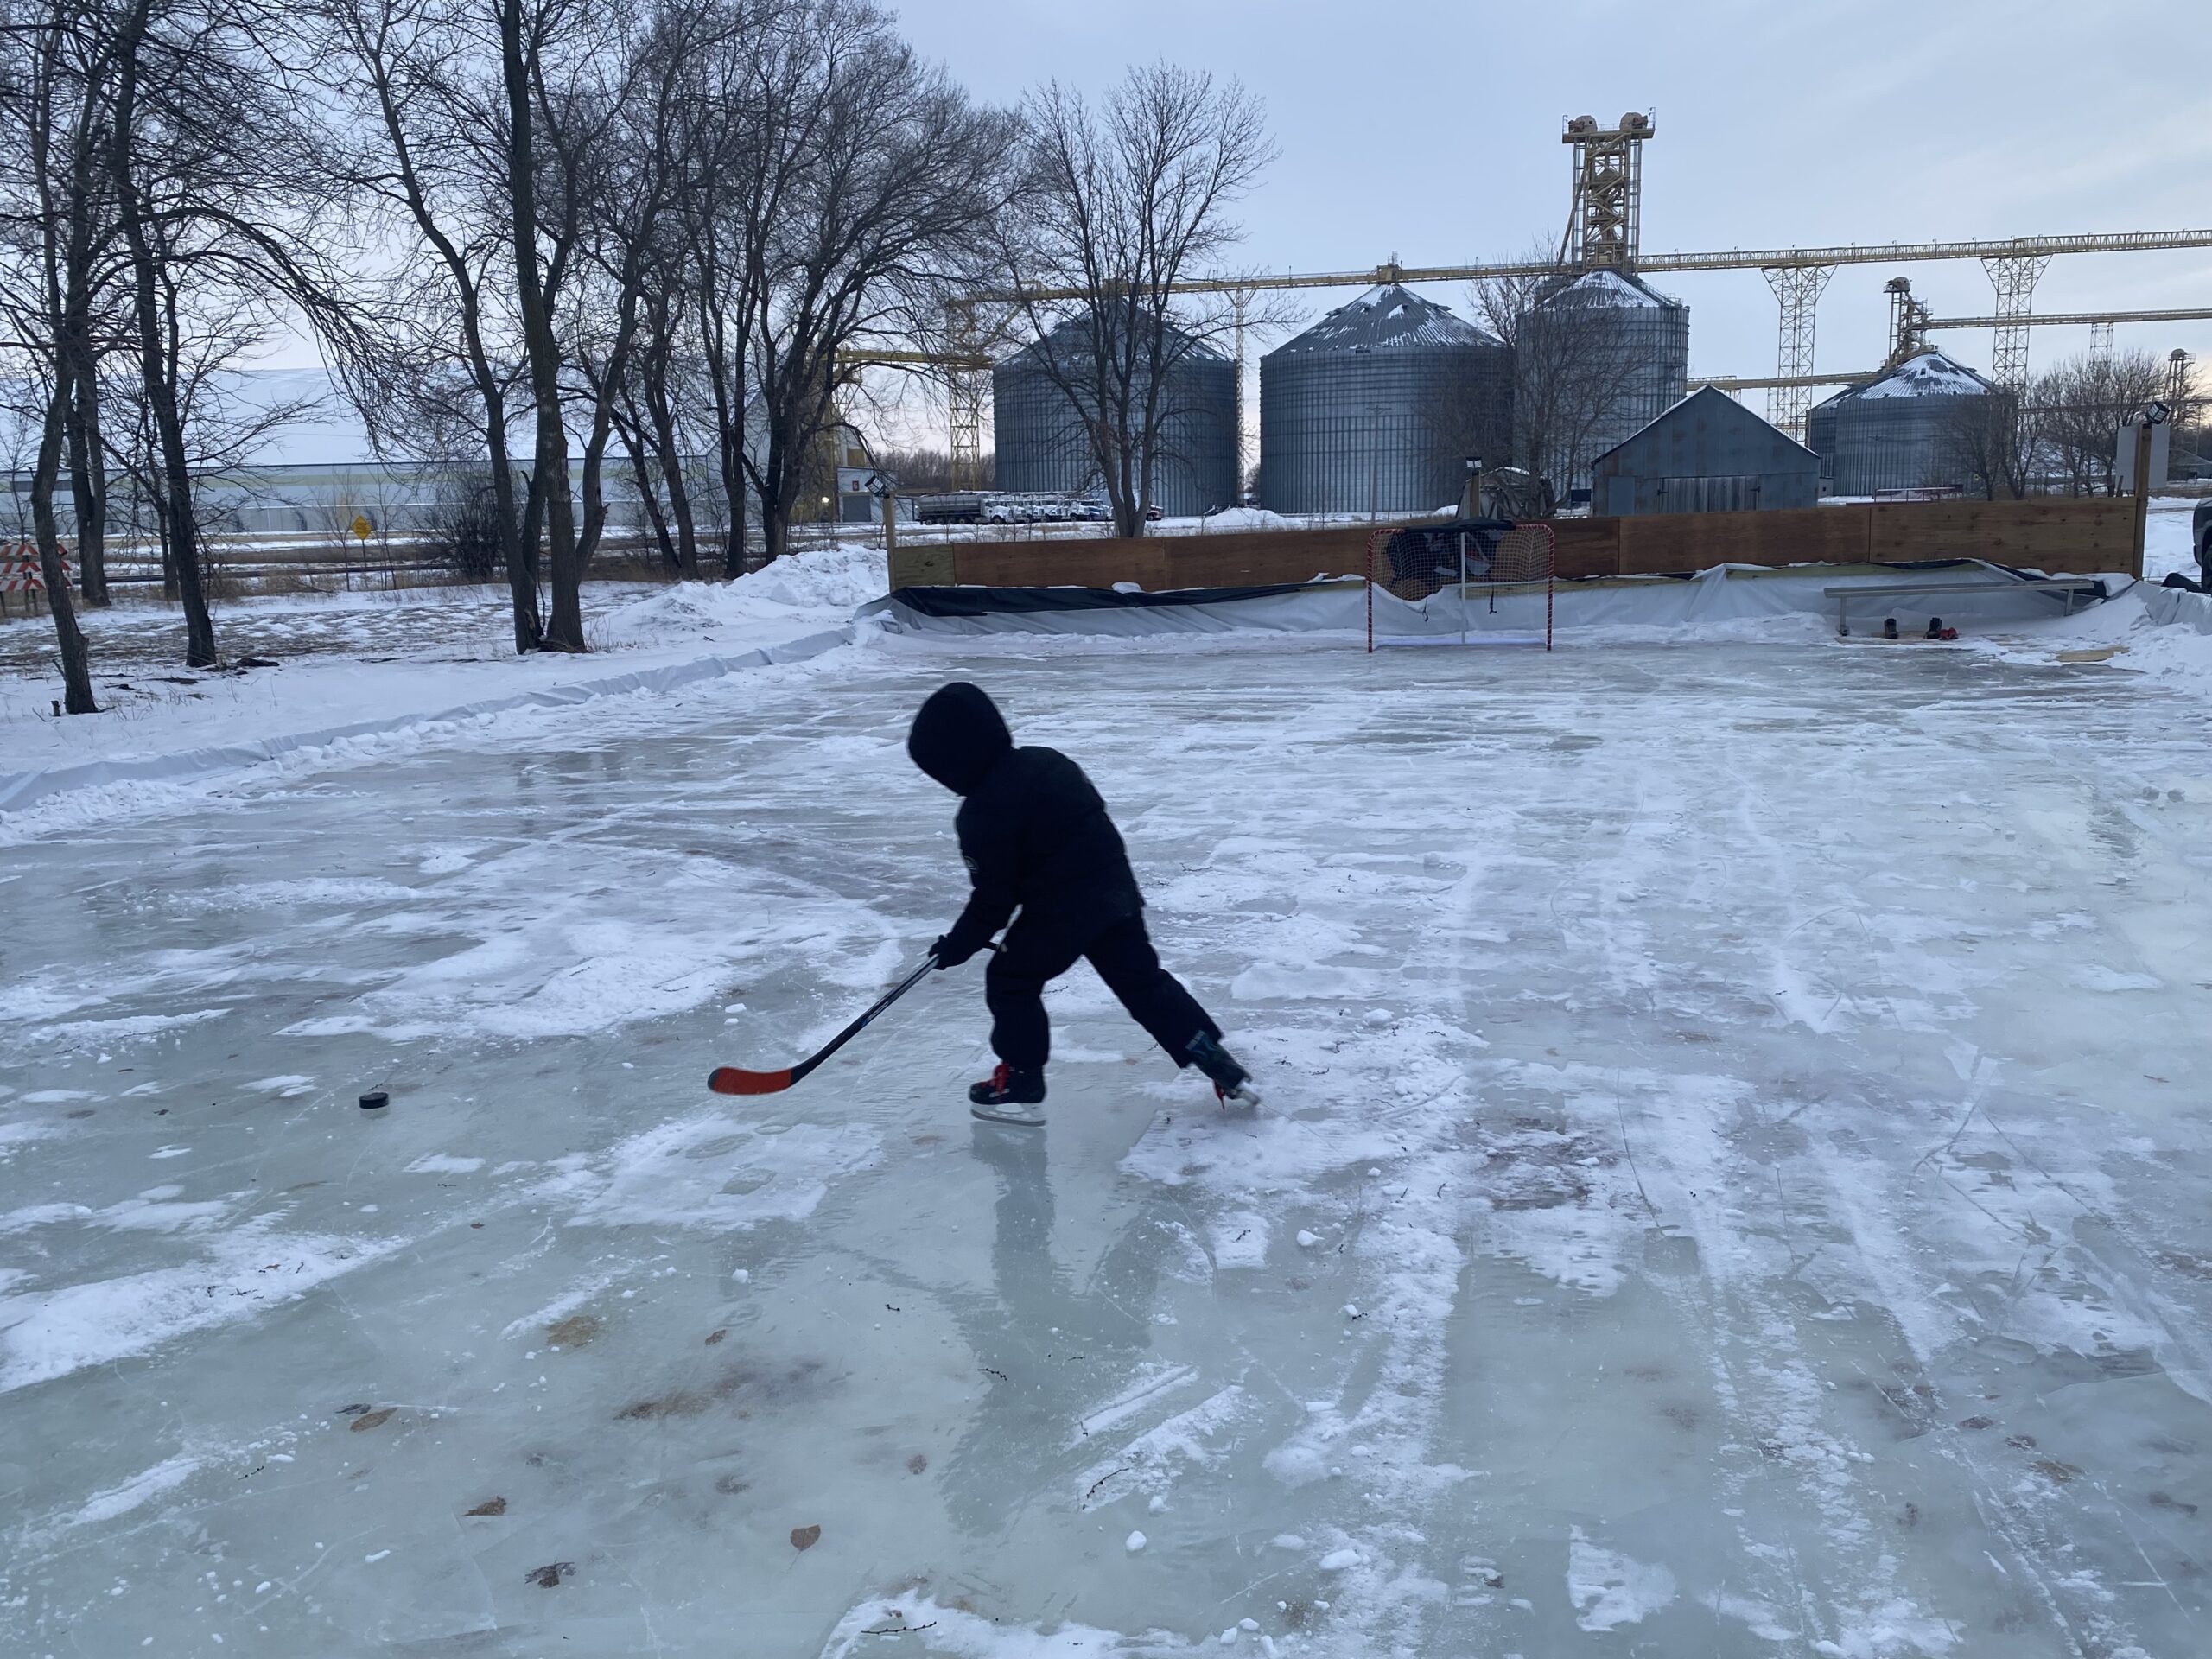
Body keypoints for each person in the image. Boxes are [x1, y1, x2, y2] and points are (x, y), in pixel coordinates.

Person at [906, 681, 1257, 1126]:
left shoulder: (981, 812)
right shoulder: (1048, 760)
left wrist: (958, 945)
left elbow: (993, 900)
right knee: (1142, 983)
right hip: (1116, 892)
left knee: (1010, 980)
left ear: (952, 762)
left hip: (1060, 913)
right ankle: (1211, 1056)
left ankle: (1021, 1081)